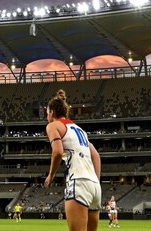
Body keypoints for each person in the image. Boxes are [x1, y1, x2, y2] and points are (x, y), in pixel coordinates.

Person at [43, 96, 102, 231]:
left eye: (47, 113)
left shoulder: (52, 126)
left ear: (52, 112)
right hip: (94, 186)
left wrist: (51, 175)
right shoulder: (80, 130)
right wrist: (95, 182)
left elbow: (57, 151)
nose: (47, 116)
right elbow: (96, 157)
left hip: (78, 182)